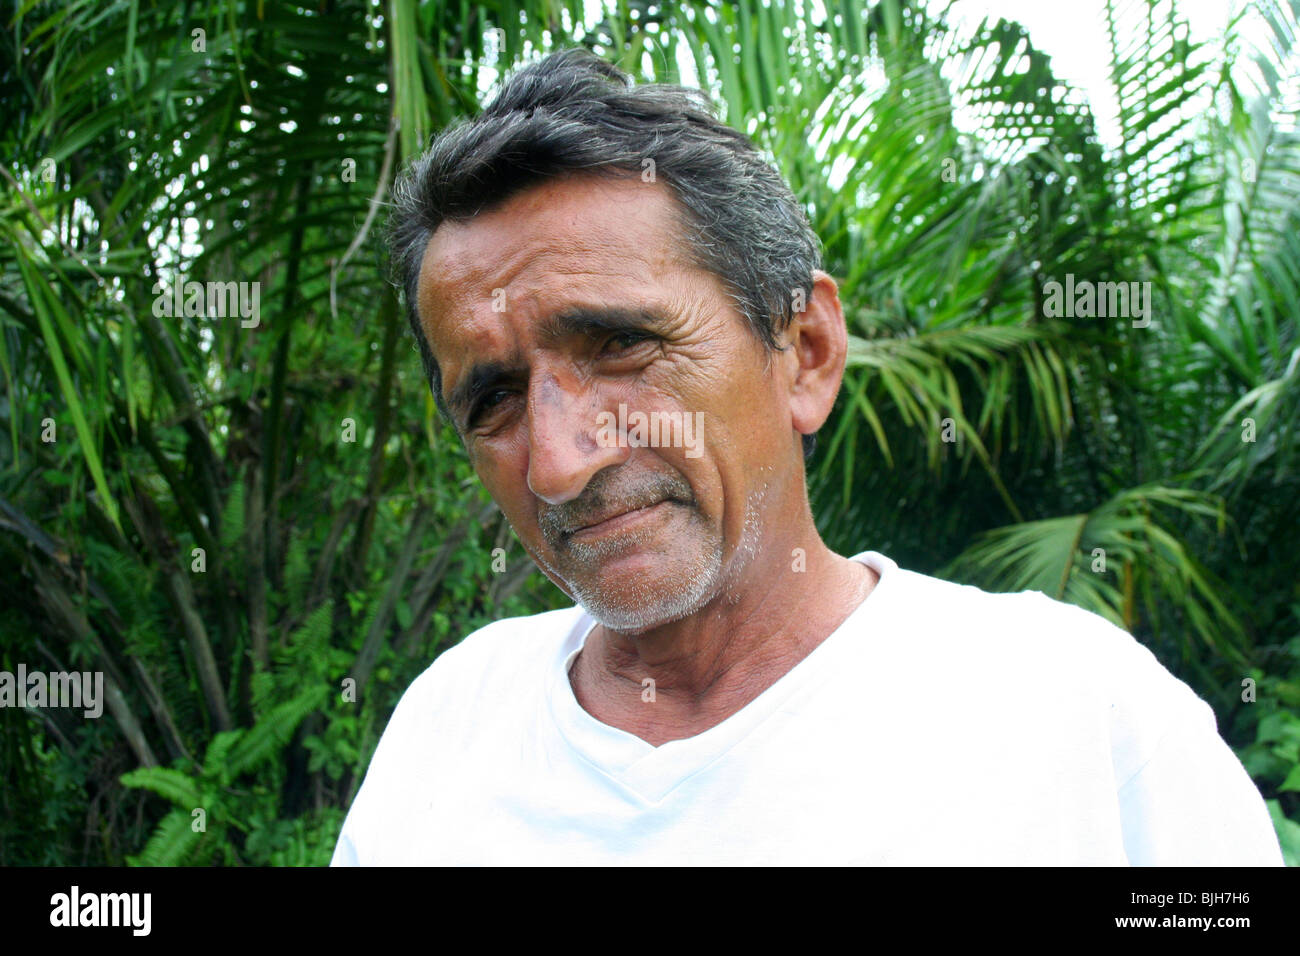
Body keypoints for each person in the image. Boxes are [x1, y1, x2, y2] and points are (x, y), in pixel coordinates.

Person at [331, 48, 1283, 865]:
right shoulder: (447, 727)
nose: (557, 464)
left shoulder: (1077, 716)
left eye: (623, 346)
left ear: (808, 354)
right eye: (493, 400)